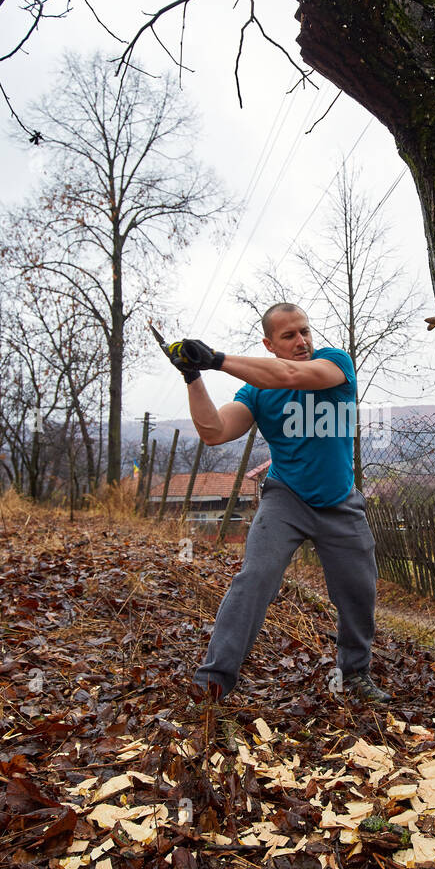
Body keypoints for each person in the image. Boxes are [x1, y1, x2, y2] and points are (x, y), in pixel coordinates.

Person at [164, 302, 391, 712]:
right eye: (289, 336)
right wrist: (193, 375)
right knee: (254, 579)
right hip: (285, 498)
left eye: (304, 331)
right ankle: (213, 683)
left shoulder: (335, 364)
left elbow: (291, 375)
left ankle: (355, 674)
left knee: (359, 590)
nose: (302, 341)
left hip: (340, 499)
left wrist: (215, 359)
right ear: (270, 343)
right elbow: (214, 431)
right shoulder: (255, 391)